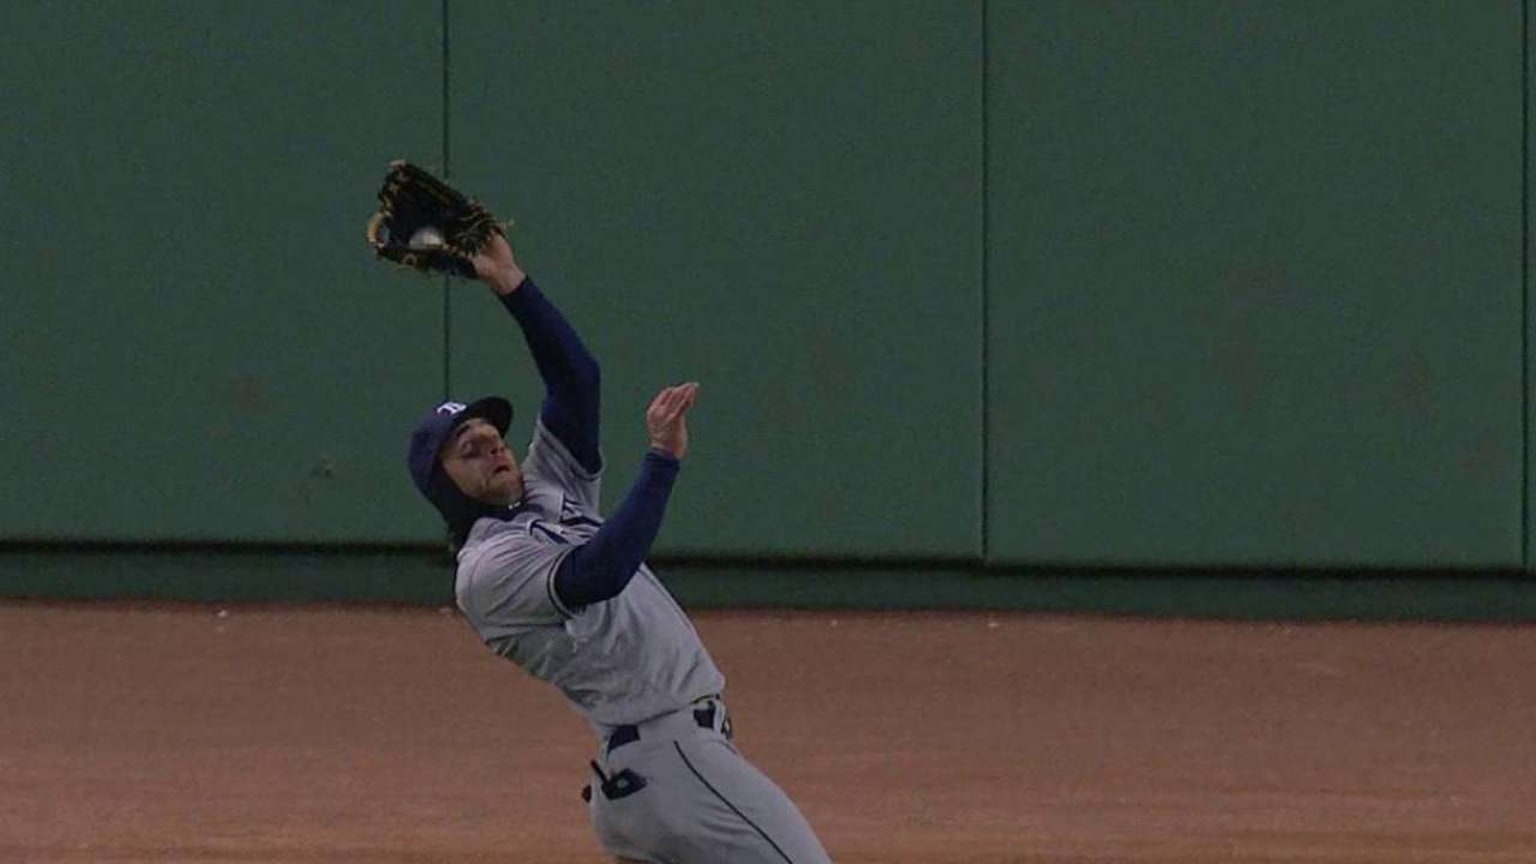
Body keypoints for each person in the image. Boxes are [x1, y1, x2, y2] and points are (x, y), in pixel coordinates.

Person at [404, 231, 833, 863]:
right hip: (673, 764)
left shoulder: (547, 489)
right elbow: (599, 570)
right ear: (445, 487)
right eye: (469, 449)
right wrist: (661, 459)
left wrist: (511, 286)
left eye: (494, 435)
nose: (494, 446)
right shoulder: (486, 571)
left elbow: (576, 381)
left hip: (653, 776)